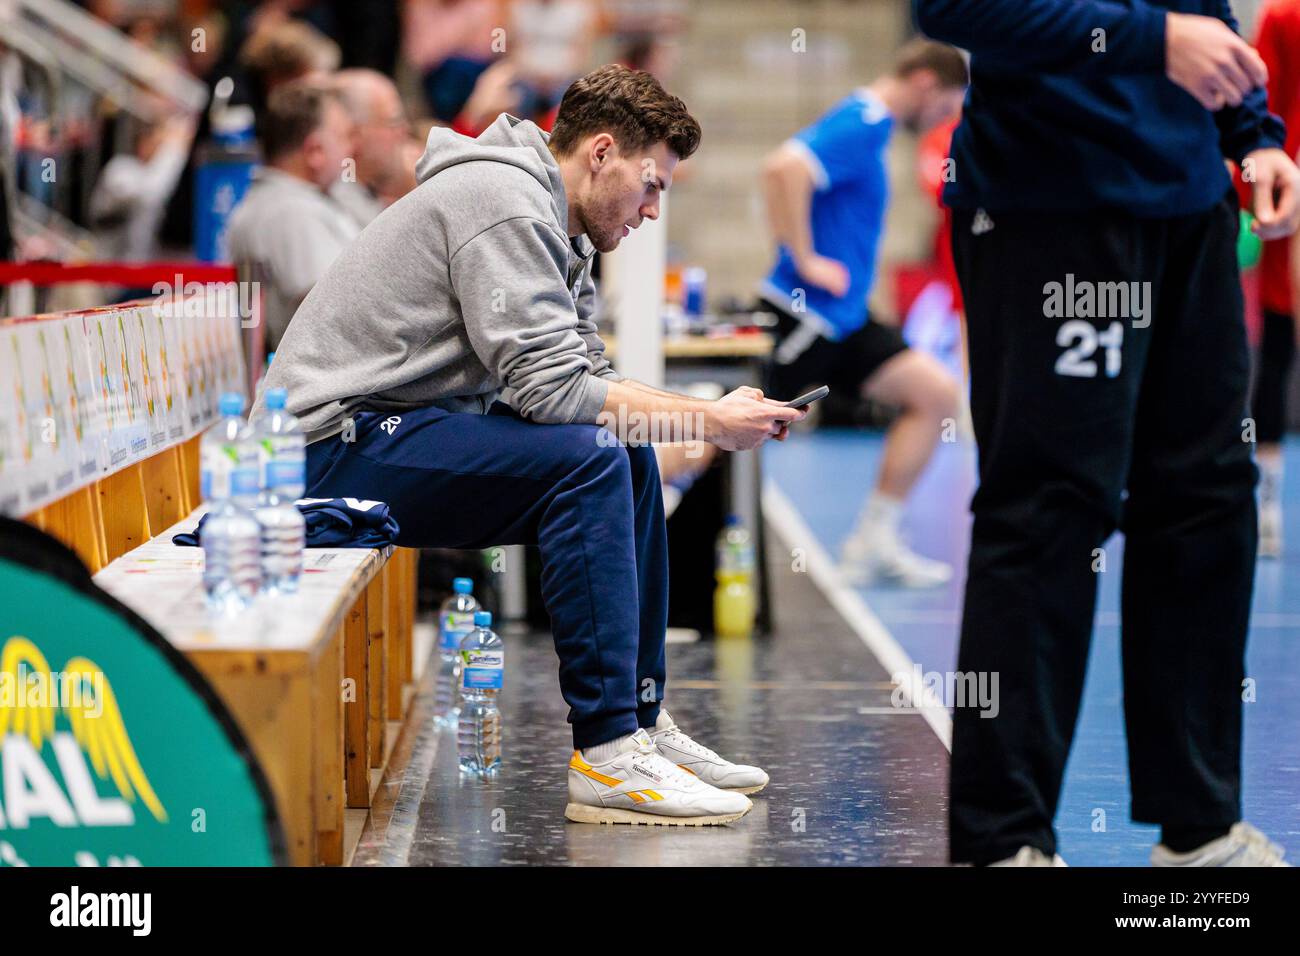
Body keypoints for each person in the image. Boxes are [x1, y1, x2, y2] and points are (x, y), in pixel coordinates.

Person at [252, 65, 804, 826]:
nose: (650, 211)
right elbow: (549, 395)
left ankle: (639, 719)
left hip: (395, 424)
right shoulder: (504, 204)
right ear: (602, 152)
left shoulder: (560, 221)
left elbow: (584, 382)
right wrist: (706, 419)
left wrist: (679, 423)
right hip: (323, 450)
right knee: (591, 459)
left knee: (621, 447)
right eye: (650, 187)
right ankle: (609, 754)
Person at [916, 0, 1300, 866]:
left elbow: (1202, 10)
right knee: (1049, 507)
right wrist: (1154, 42)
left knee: (1208, 503)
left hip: (1192, 208)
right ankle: (1002, 840)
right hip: (1050, 206)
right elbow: (947, 6)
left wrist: (1254, 135)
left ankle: (1198, 828)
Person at [759, 39, 967, 587]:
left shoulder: (869, 124)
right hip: (807, 317)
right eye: (944, 107)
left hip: (845, 319)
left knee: (935, 395)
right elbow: (783, 168)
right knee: (726, 431)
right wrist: (804, 256)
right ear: (925, 83)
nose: (940, 121)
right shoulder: (867, 120)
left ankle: (873, 539)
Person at [226, 80, 360, 352]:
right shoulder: (292, 212)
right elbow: (341, 315)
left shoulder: (277, 203)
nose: (351, 150)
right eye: (345, 136)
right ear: (314, 151)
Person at [1250, 0, 1300, 558]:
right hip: (1292, 205)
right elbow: (1262, 113)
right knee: (1280, 345)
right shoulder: (1285, 18)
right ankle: (1267, 502)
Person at [331, 69, 414, 227]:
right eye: (394, 121)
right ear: (355, 133)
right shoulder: (339, 203)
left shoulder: (361, 193)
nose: (404, 131)